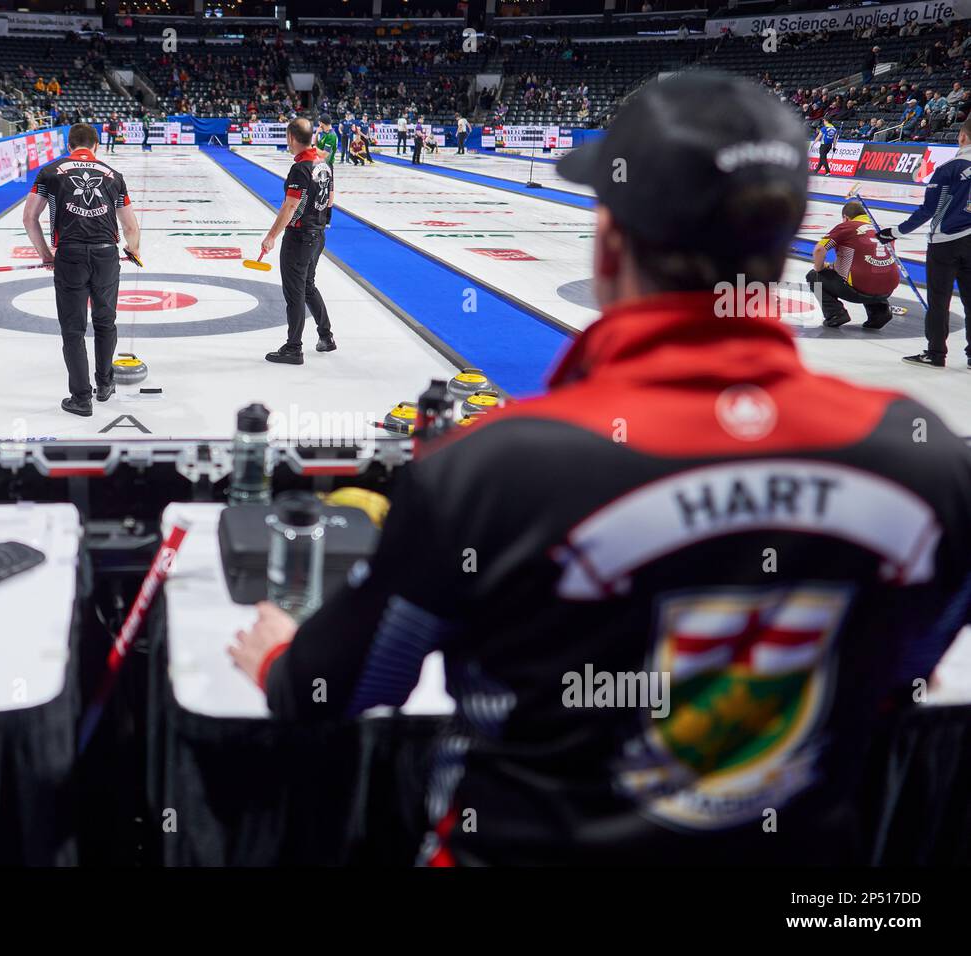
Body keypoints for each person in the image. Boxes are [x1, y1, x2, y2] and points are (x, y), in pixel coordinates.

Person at [228, 71, 971, 866]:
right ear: (784, 246)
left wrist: (277, 654)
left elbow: (342, 686)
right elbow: (906, 668)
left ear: (610, 243)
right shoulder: (920, 460)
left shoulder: (493, 468)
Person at [23, 123, 140, 417]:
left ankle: (81, 398)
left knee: (73, 330)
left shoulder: (50, 172)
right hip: (105, 255)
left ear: (69, 146)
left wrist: (46, 255)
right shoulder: (115, 175)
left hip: (70, 255)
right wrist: (133, 249)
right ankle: (104, 384)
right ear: (97, 145)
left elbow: (29, 218)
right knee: (105, 321)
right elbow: (130, 226)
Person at [878, 115, 971, 367]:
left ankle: (936, 352)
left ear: (962, 136)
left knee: (939, 299)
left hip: (945, 242)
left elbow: (927, 210)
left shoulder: (948, 169)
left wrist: (894, 232)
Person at [259, 117, 335, 365]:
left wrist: (271, 236)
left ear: (291, 138)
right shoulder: (322, 163)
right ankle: (326, 336)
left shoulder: (301, 168)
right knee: (308, 286)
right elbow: (330, 199)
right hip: (318, 234)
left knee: (295, 292)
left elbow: (290, 206)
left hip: (300, 237)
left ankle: (293, 348)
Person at [806, 200, 899, 328]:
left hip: (858, 288)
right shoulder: (881, 228)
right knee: (874, 269)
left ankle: (835, 314)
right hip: (888, 288)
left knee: (813, 276)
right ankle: (880, 313)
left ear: (846, 218)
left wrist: (819, 268)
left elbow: (819, 250)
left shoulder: (846, 226)